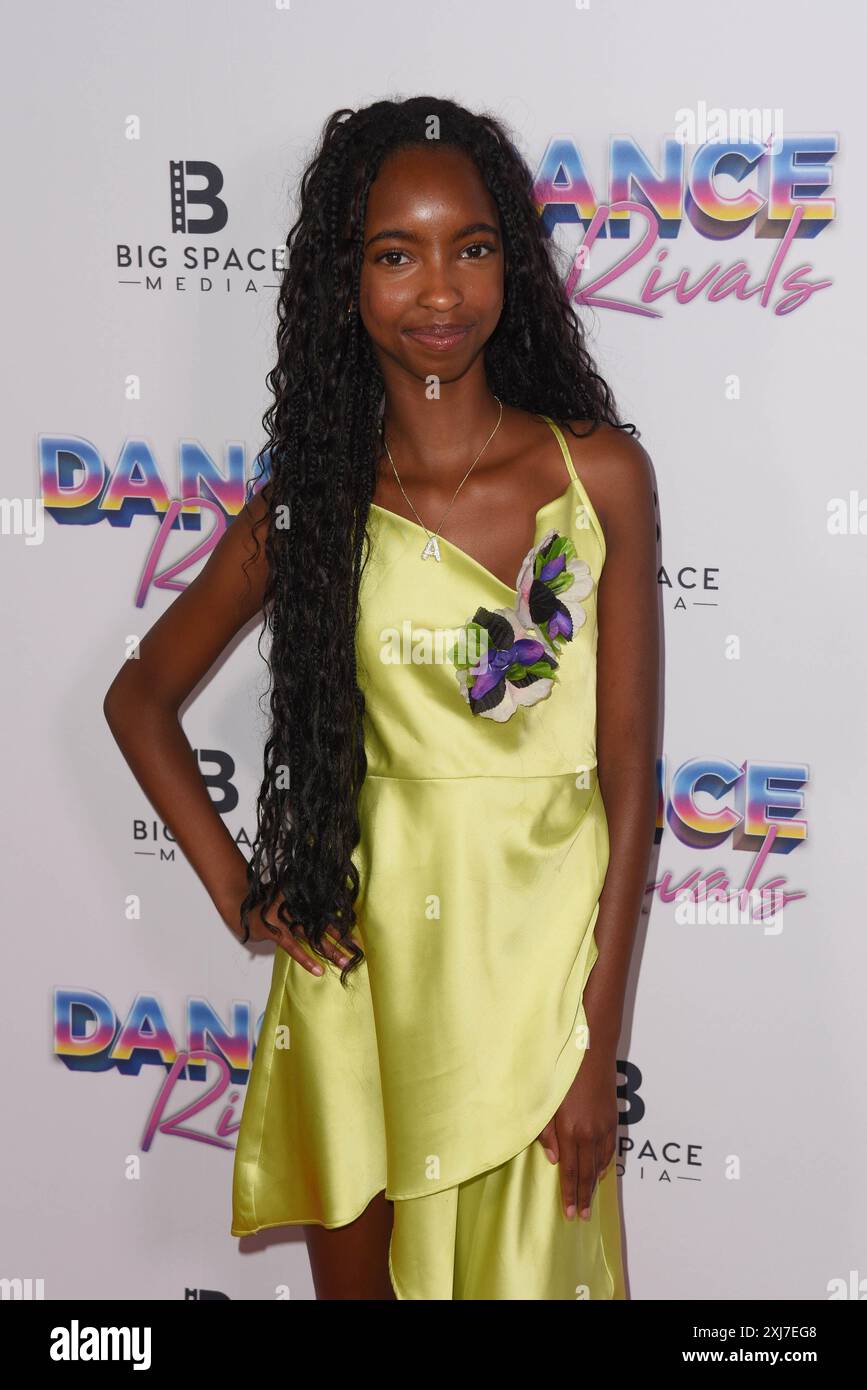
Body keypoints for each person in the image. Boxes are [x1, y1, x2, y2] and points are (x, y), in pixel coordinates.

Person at [103, 95, 660, 1301]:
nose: (441, 290)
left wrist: (593, 1046)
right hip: (362, 981)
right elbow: (141, 697)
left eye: (471, 246)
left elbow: (630, 778)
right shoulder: (316, 500)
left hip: (540, 979)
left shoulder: (599, 472)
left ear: (511, 258)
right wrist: (247, 896)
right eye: (396, 253)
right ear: (343, 281)